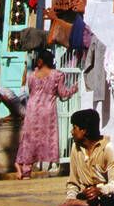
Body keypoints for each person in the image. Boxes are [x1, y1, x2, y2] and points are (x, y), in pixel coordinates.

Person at [14, 47, 77, 180]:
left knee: (29, 138)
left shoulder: (32, 76)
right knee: (44, 138)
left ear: (41, 61)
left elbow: (31, 92)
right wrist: (75, 88)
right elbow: (63, 94)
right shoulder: (57, 75)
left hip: (32, 110)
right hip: (47, 111)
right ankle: (28, 166)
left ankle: (26, 168)